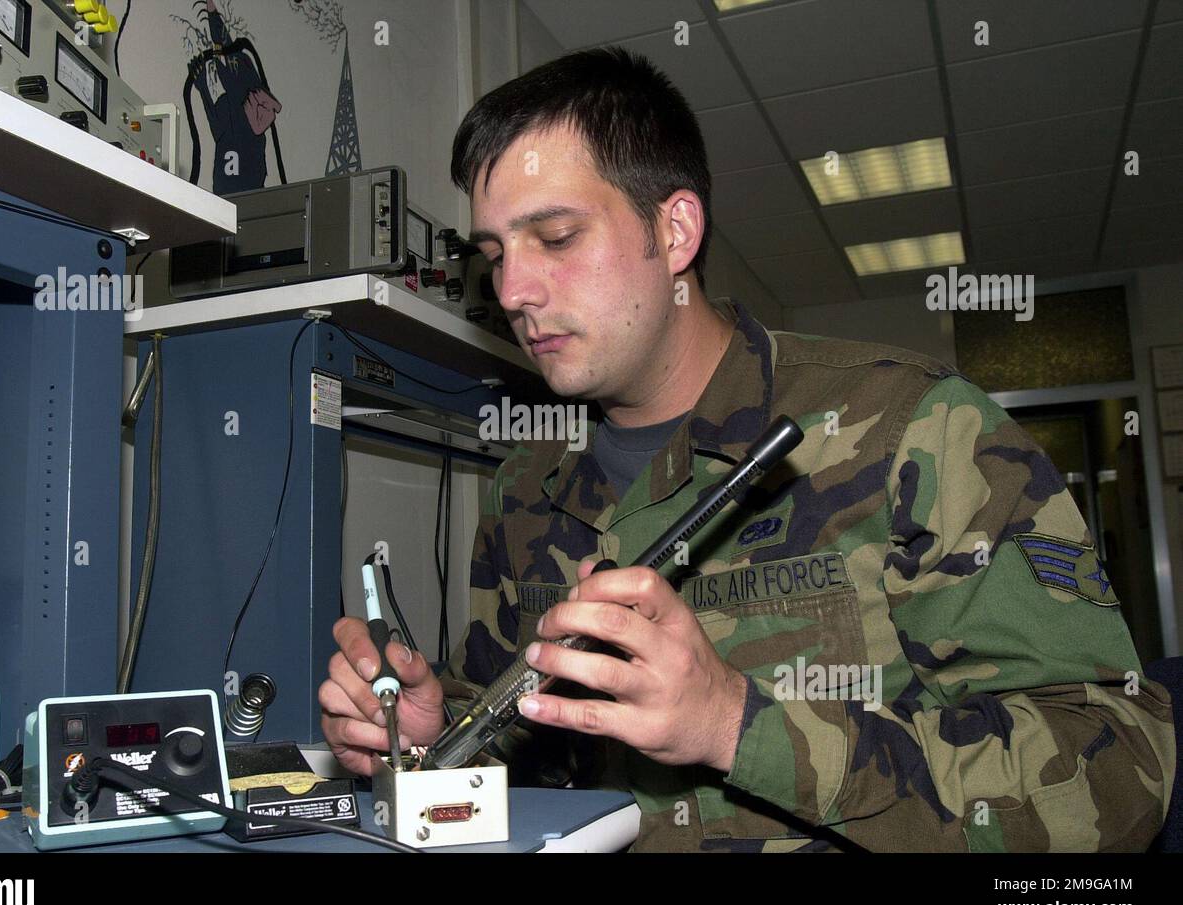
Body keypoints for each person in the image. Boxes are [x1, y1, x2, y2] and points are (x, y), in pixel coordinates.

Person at [319, 47, 1175, 852]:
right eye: (496, 253)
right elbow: (529, 755)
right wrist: (443, 738)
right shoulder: (523, 490)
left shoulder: (908, 425)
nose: (513, 289)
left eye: (556, 237)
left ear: (676, 231)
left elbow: (1120, 774)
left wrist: (737, 724)